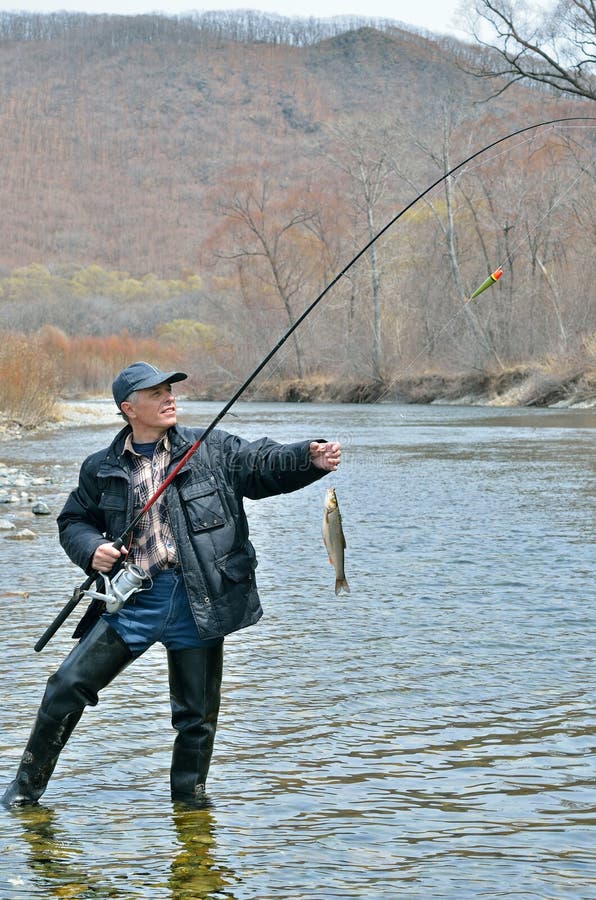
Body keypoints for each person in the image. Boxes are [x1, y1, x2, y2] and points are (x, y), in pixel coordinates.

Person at [2, 361, 341, 808]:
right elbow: (73, 521)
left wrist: (307, 457)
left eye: (169, 389)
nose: (169, 397)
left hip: (199, 597)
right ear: (129, 408)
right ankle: (22, 797)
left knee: (196, 717)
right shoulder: (100, 467)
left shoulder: (210, 448)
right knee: (65, 687)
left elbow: (260, 463)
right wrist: (92, 549)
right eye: (155, 392)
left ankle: (190, 808)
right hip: (134, 601)